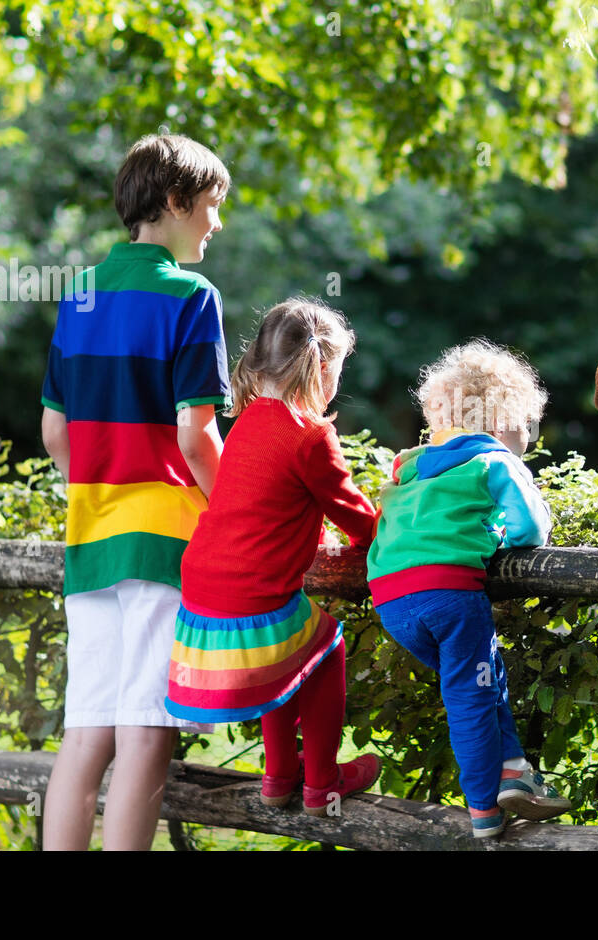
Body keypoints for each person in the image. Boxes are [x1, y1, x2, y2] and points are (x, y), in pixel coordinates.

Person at [40, 133, 231, 850]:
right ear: (176, 202)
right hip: (163, 542)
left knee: (86, 733)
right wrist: (232, 509)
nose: (216, 224)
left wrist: (98, 492)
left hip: (89, 541)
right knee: (146, 734)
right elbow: (195, 436)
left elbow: (55, 432)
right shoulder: (192, 297)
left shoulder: (81, 294)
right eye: (212, 206)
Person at [164, 297, 380, 817]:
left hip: (201, 591)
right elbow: (356, 515)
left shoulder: (247, 425)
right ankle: (322, 781)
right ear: (323, 369)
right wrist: (380, 541)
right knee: (326, 648)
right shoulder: (311, 437)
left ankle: (280, 776)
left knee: (284, 659)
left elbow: (270, 505)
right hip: (252, 595)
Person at [366, 339, 572, 838]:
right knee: (472, 697)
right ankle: (485, 811)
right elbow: (529, 529)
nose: (527, 437)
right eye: (526, 425)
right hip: (450, 595)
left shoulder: (409, 465)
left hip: (392, 601)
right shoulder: (494, 459)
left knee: (481, 681)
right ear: (503, 420)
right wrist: (501, 535)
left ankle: (514, 773)